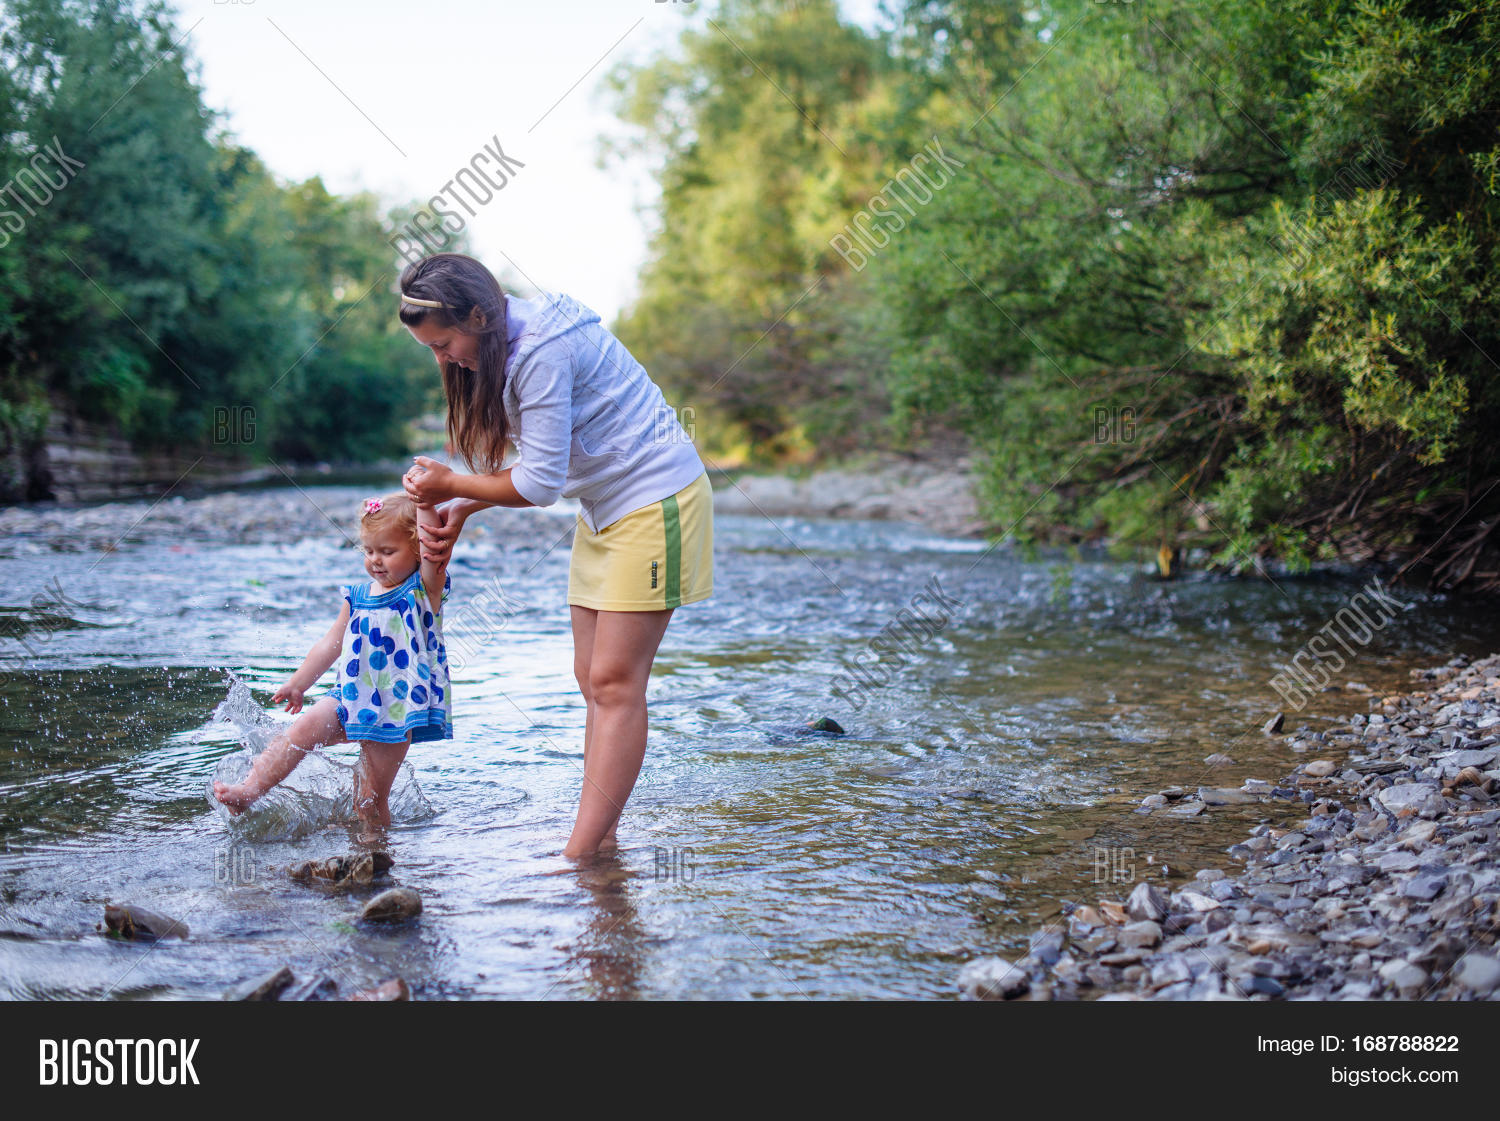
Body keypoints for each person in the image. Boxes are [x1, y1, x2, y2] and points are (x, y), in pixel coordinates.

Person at [394, 252, 712, 859]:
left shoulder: (540, 352)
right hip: (606, 506)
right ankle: (601, 838)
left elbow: (539, 486)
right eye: (432, 349)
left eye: (446, 343)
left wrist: (455, 486)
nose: (445, 359)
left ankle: (581, 854)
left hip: (657, 497)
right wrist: (466, 505)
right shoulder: (510, 343)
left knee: (616, 683)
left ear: (481, 316)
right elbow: (546, 468)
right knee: (591, 677)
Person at [212, 490, 453, 827]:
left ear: (416, 551)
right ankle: (249, 791)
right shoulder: (356, 596)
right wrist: (299, 682)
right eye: (368, 551)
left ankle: (374, 857)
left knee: (368, 800)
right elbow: (330, 644)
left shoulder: (423, 590)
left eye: (388, 551)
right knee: (301, 730)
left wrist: (425, 502)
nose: (376, 560)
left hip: (395, 708)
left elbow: (434, 550)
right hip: (350, 695)